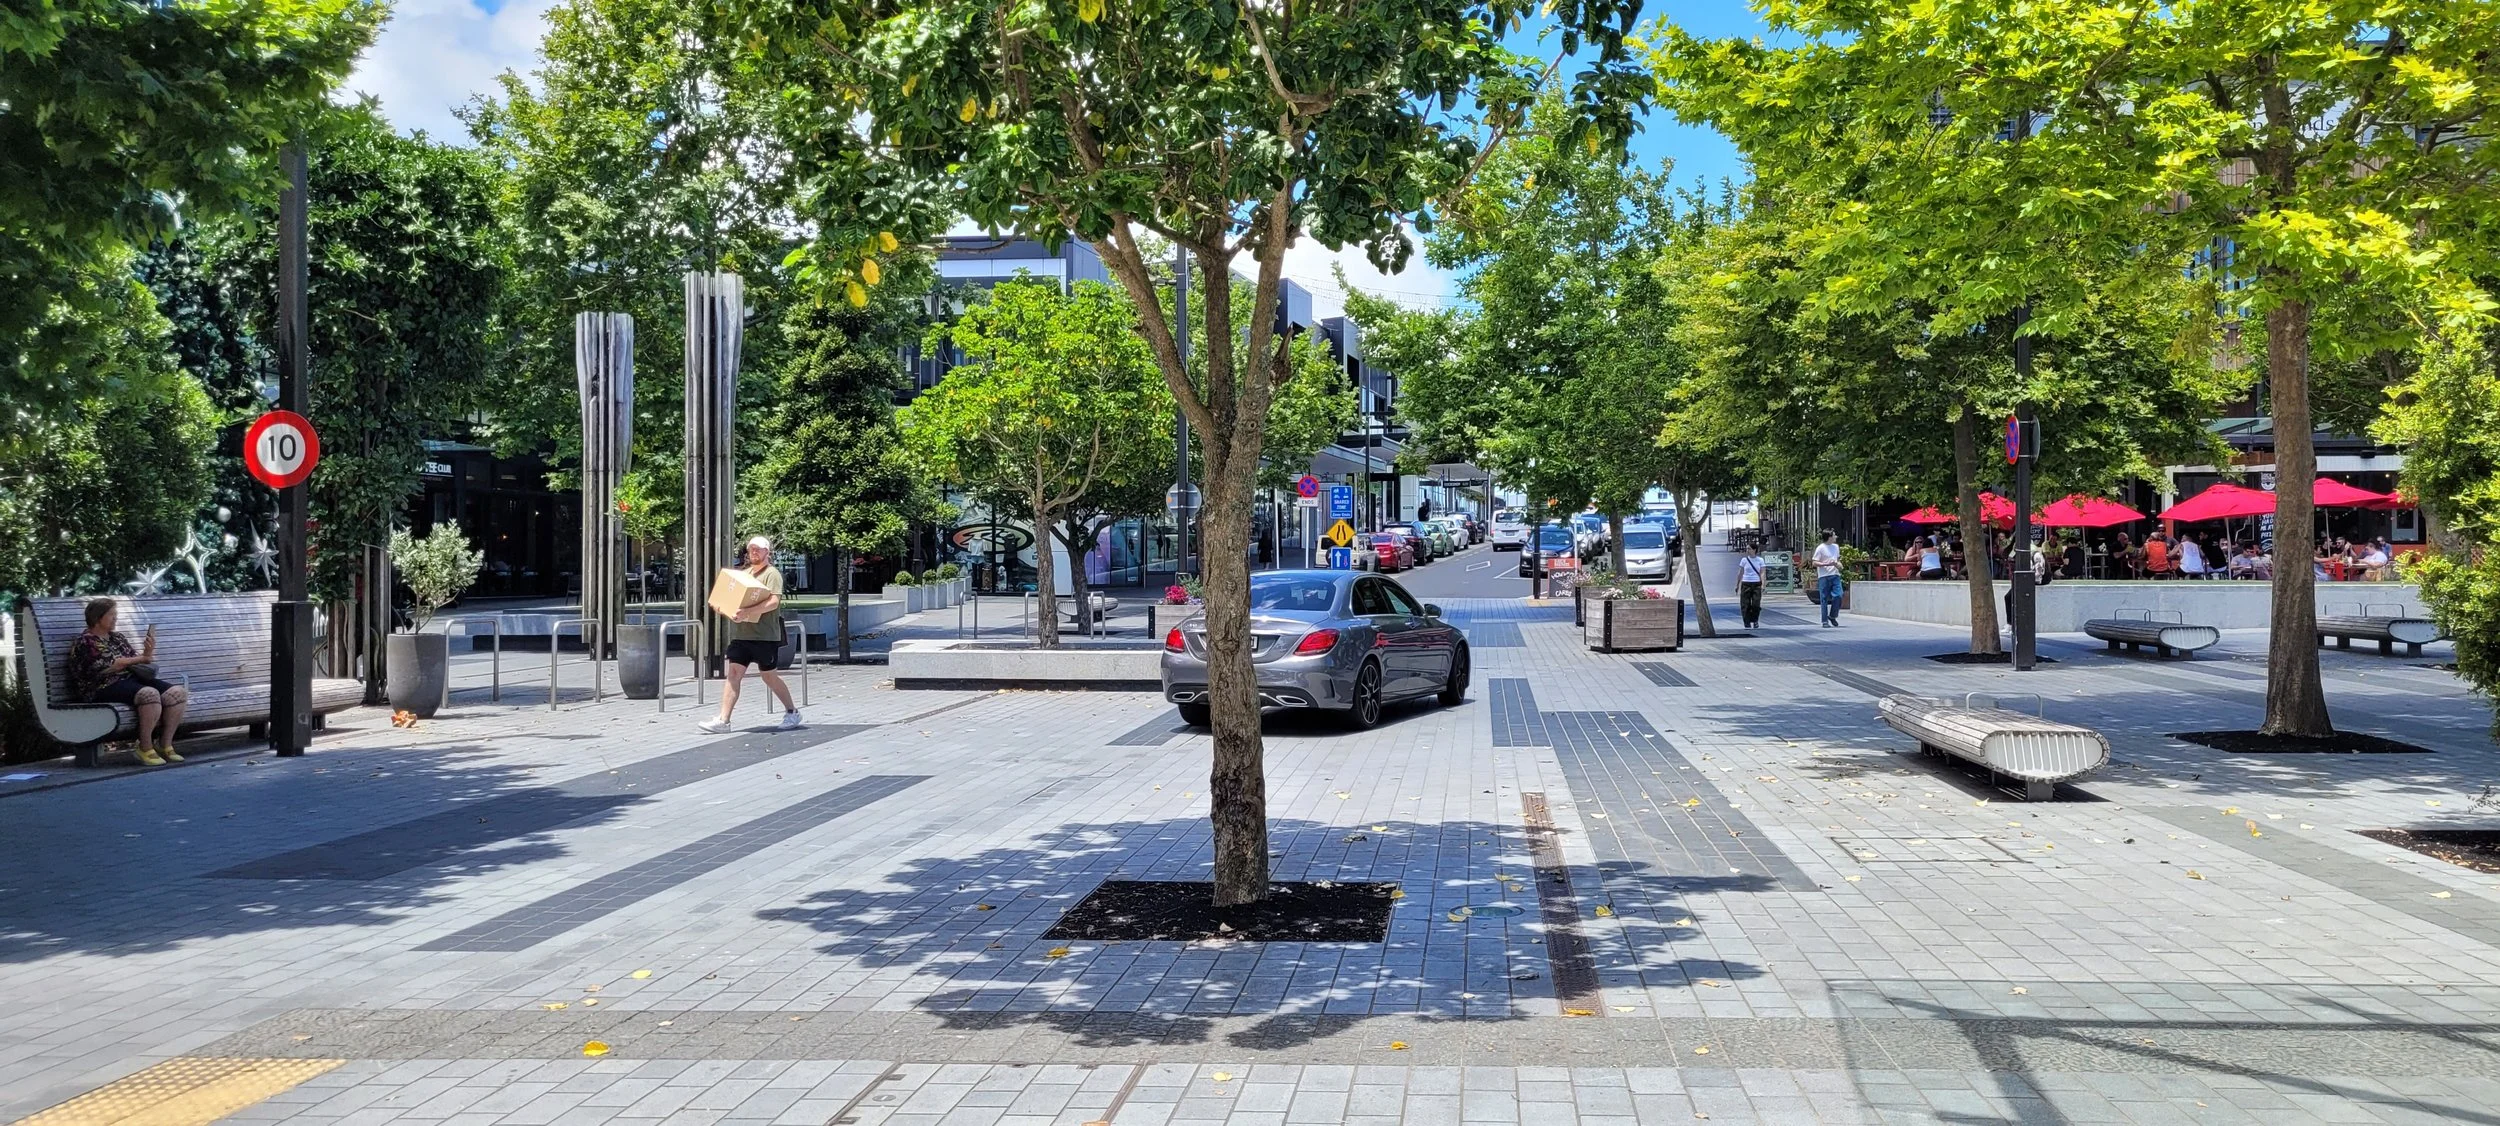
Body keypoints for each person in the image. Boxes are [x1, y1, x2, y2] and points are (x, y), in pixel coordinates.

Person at [698, 536, 804, 734]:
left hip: (764, 636)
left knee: (769, 676)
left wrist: (748, 612)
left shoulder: (772, 574)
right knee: (734, 674)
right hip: (742, 635)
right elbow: (728, 599)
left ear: (767, 552)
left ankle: (792, 711)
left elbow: (773, 602)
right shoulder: (744, 575)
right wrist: (723, 607)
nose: (754, 552)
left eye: (759, 549)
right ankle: (724, 720)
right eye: (751, 549)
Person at [67, 598, 189, 765]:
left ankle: (164, 744)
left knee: (177, 693)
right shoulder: (86, 642)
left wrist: (147, 652)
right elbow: (115, 664)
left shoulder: (117, 638)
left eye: (115, 615)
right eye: (111, 615)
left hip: (128, 681)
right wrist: (143, 657)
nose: (115, 618)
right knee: (148, 694)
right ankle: (144, 747)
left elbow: (134, 660)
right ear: (97, 617)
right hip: (101, 687)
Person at [1812, 531, 1844, 628]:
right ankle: (1824, 621)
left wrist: (1838, 565)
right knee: (1824, 599)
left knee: (1839, 595)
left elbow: (1837, 559)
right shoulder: (1820, 548)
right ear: (1829, 537)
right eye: (1834, 535)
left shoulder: (1836, 547)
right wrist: (1826, 564)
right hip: (1824, 576)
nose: (1836, 537)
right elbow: (1814, 562)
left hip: (1835, 574)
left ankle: (1832, 615)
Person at [1736, 542, 1768, 629]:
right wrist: (1737, 584)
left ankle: (1755, 620)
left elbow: (1762, 573)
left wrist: (1763, 585)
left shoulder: (1760, 560)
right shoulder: (1744, 560)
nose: (1747, 550)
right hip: (1746, 583)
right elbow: (1740, 573)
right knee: (1745, 604)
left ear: (1754, 550)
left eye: (1749, 549)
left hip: (1756, 583)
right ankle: (1747, 622)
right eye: (1747, 549)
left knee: (1756, 604)